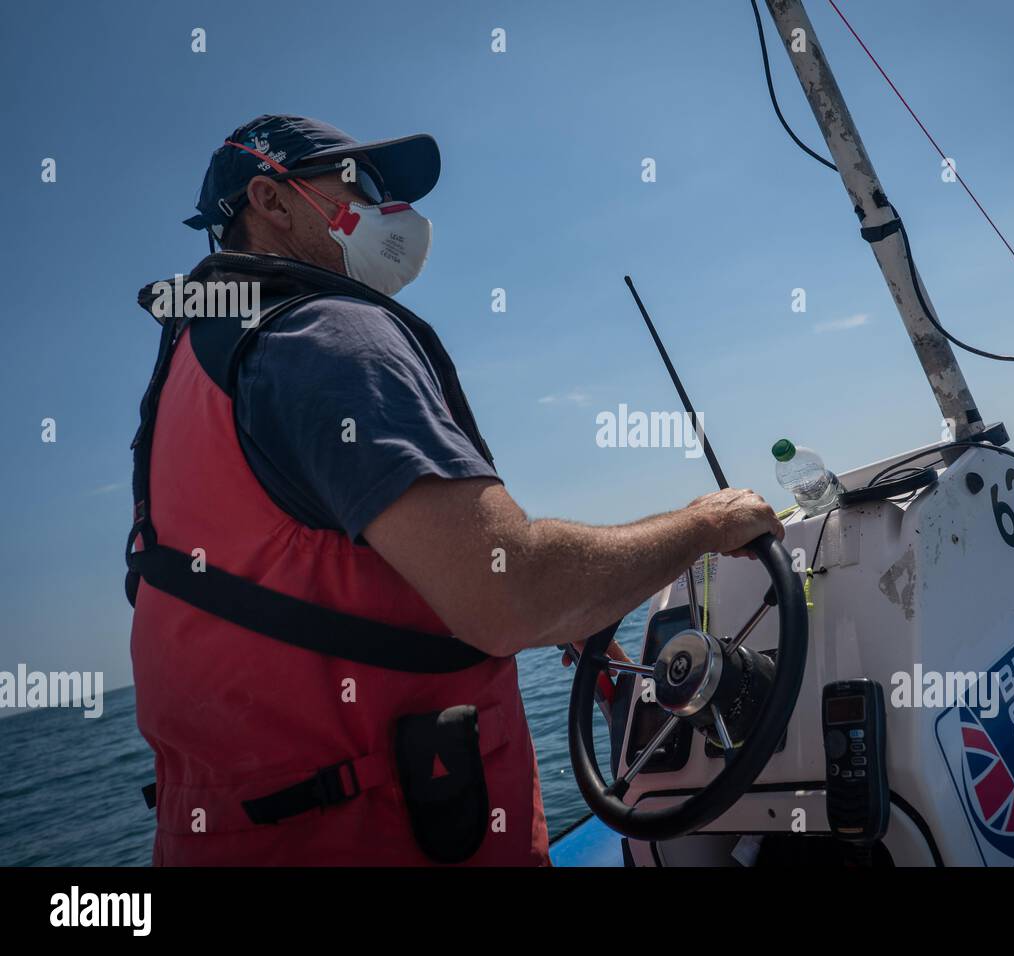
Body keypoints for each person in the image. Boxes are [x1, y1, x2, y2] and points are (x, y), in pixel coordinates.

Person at [125, 114, 782, 865]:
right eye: (360, 186)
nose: (388, 211)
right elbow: (512, 594)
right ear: (271, 202)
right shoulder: (327, 338)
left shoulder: (205, 360)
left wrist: (553, 596)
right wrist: (703, 525)